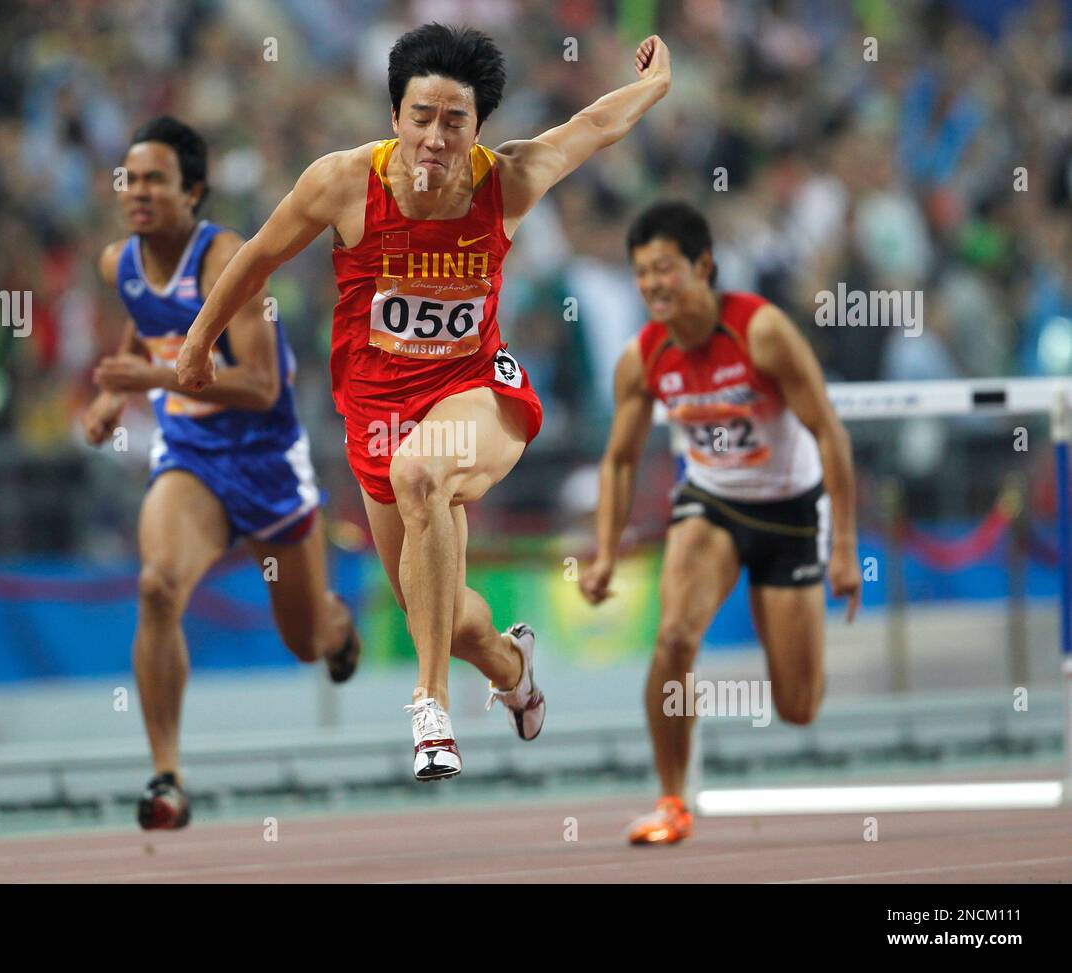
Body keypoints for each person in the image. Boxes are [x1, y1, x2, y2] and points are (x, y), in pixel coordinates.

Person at [174, 24, 673, 780]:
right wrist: (198, 340)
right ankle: (511, 665)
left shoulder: (507, 180)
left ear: (478, 128)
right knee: (437, 611)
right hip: (376, 409)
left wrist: (652, 87)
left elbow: (595, 126)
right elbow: (258, 257)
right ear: (395, 116)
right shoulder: (342, 182)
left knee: (422, 474)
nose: (436, 138)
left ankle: (430, 706)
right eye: (421, 117)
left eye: (455, 122)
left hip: (477, 393)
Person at [82, 117, 360, 828]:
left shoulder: (227, 259)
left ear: (193, 191)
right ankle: (167, 775)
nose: (138, 192)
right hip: (193, 458)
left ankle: (334, 625)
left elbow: (262, 384)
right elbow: (142, 322)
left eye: (155, 180)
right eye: (130, 179)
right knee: (156, 585)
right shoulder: (120, 262)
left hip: (266, 462)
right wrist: (116, 397)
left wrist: (144, 374)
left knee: (303, 641)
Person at [579, 201, 862, 843]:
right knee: (673, 636)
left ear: (703, 266)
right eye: (641, 272)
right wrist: (604, 552)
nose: (653, 284)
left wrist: (843, 548)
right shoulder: (642, 358)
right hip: (710, 504)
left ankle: (787, 671)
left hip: (790, 512)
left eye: (665, 269)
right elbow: (619, 462)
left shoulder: (761, 333)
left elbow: (831, 435)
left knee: (798, 707)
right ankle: (672, 800)